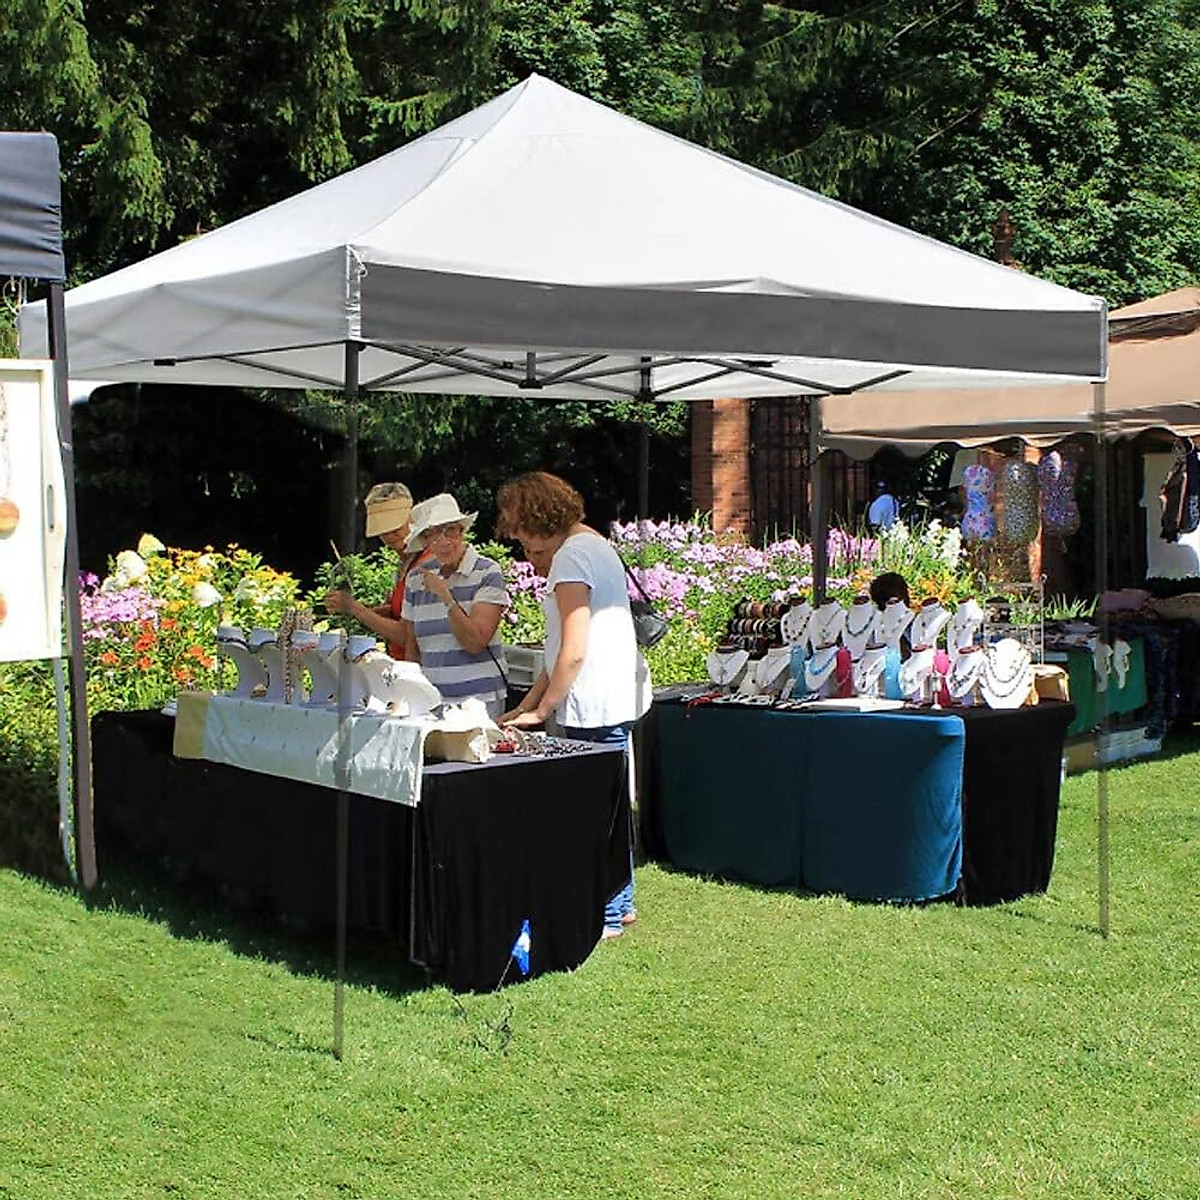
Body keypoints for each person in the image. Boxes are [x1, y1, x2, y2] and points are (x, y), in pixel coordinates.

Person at [495, 471, 645, 940]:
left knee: (594, 814)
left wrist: (542, 712)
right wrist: (527, 704)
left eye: (521, 530)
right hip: (607, 700)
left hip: (593, 705)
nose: (519, 542)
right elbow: (560, 649)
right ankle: (616, 907)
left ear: (539, 517)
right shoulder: (595, 545)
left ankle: (605, 914)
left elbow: (574, 649)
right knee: (608, 808)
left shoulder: (571, 558)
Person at [400, 493, 511, 717]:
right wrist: (411, 695)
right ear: (425, 541)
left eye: (450, 530)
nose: (443, 541)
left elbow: (475, 642)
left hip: (479, 703)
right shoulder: (415, 579)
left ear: (462, 531)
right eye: (433, 534)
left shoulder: (487, 572)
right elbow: (412, 646)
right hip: (431, 702)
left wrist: (444, 595)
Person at [323, 482, 429, 659]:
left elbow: (408, 636)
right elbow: (401, 612)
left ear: (412, 519)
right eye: (382, 531)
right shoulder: (404, 563)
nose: (388, 536)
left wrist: (357, 609)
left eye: (395, 529)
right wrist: (369, 612)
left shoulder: (426, 565)